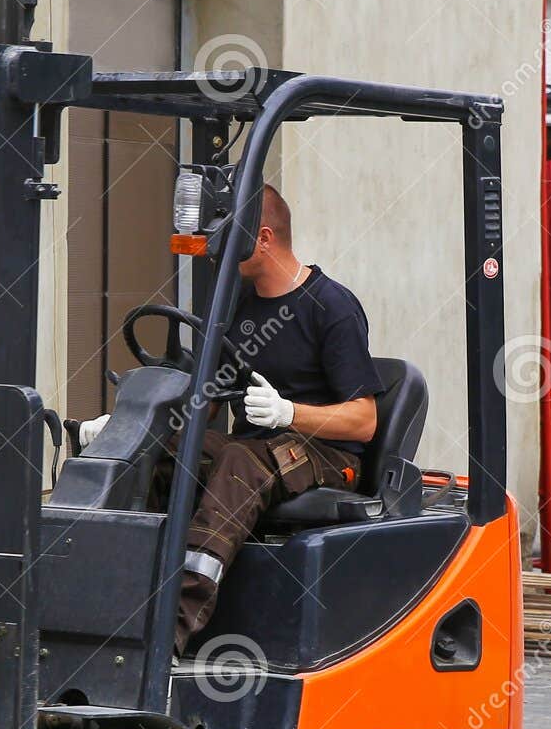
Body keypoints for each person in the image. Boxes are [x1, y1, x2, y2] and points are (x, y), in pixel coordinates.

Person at [82, 183, 383, 651]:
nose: (217, 251)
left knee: (241, 460)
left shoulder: (332, 307)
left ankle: (171, 631)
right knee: (162, 453)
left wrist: (289, 412)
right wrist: (131, 429)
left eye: (229, 236)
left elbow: (364, 421)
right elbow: (210, 400)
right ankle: (110, 602)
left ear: (263, 239)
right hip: (257, 450)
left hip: (327, 454)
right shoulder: (238, 305)